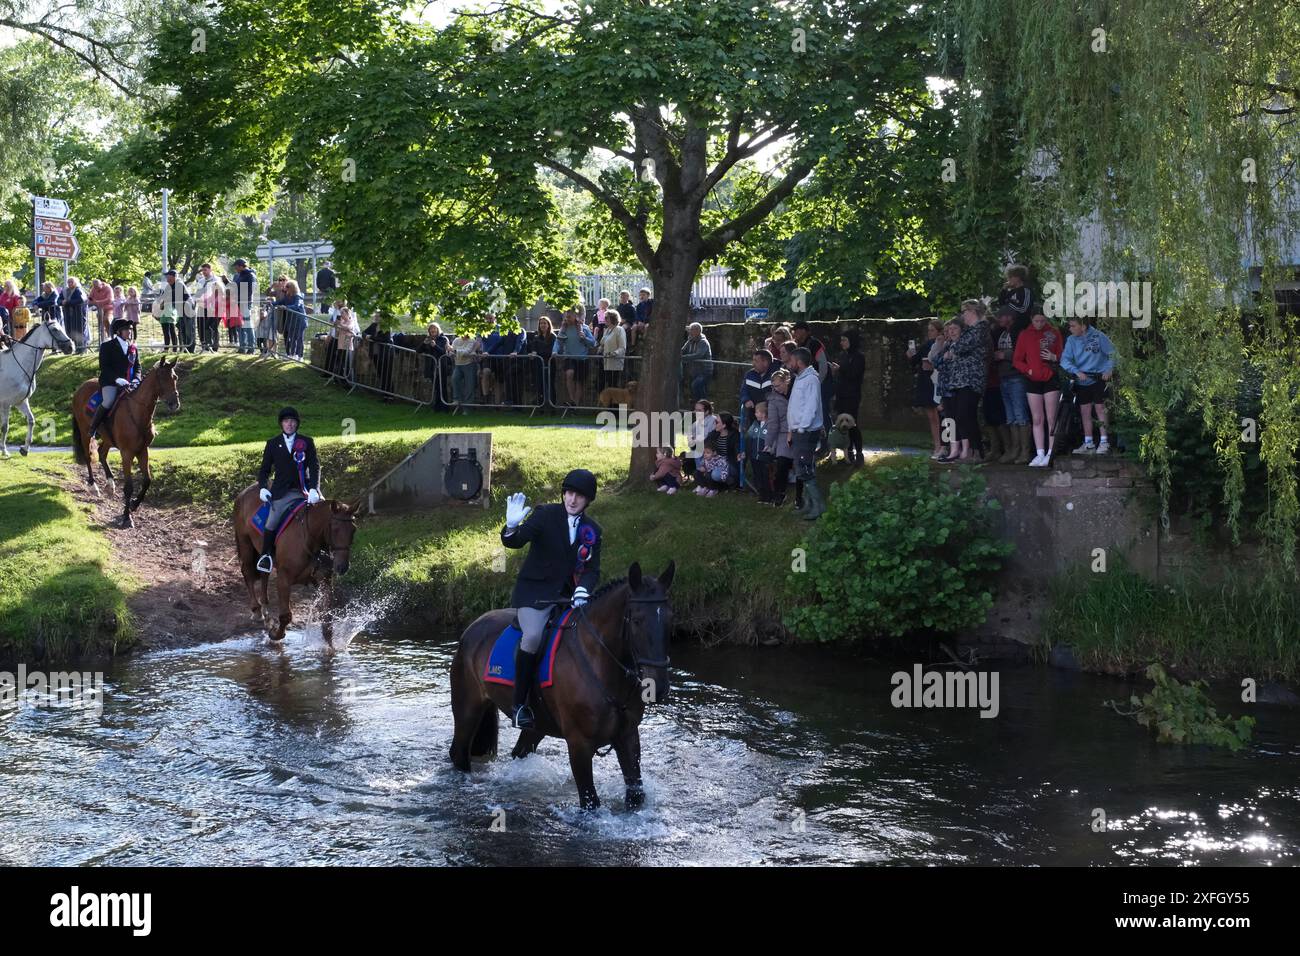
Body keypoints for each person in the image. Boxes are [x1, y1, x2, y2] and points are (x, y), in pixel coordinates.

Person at [499, 469, 601, 728]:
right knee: (532, 637)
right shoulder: (545, 515)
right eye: (569, 493)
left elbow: (591, 570)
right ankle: (519, 705)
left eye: (579, 495)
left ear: (588, 500)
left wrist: (583, 589)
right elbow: (517, 541)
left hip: (568, 598)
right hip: (535, 595)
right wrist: (511, 527)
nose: (572, 499)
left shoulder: (592, 530)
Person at [255, 407, 322, 573]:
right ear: (281, 424)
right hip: (282, 492)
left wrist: (314, 488)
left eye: (292, 421)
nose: (289, 424)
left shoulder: (307, 442)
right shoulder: (272, 444)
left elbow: (314, 467)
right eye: (286, 421)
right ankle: (266, 556)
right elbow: (264, 470)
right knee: (271, 521)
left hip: (305, 490)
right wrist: (263, 487)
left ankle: (327, 553)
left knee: (325, 515)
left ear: (297, 423)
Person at [1013, 308, 1064, 466]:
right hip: (1032, 379)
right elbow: (1017, 360)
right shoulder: (1025, 334)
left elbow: (1064, 355)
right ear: (1031, 319)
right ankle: (1039, 452)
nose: (1039, 324)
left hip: (1050, 378)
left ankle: (1050, 452)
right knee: (1037, 418)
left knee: (1051, 418)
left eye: (1042, 321)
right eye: (1036, 321)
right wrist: (1027, 369)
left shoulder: (1054, 333)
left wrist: (1054, 357)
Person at [1060, 316, 1116, 455]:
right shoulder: (1071, 340)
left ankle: (1104, 441)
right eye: (1070, 326)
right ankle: (1088, 442)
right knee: (1084, 410)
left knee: (1100, 408)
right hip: (1082, 379)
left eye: (1073, 326)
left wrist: (1108, 369)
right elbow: (1065, 360)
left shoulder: (1099, 336)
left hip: (1098, 377)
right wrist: (1076, 371)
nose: (1070, 329)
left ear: (1083, 326)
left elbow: (1113, 354)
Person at [786, 346, 826, 519]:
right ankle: (809, 504)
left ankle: (819, 507)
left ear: (799, 362)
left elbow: (811, 405)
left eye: (791, 361)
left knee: (804, 468)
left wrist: (802, 426)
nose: (789, 363)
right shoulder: (800, 378)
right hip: (798, 430)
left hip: (806, 432)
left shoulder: (811, 380)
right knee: (801, 467)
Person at [86, 318, 141, 442]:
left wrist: (137, 379)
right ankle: (94, 428)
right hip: (110, 382)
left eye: (131, 330)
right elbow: (104, 367)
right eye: (127, 330)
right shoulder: (107, 346)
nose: (130, 332)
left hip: (130, 383)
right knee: (109, 401)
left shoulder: (133, 348)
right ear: (119, 331)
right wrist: (117, 379)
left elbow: (137, 366)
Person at [993, 308, 1032, 463]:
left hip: (1017, 377)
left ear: (1010, 317)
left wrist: (1005, 355)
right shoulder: (1000, 333)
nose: (999, 319)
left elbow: (1024, 352)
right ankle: (1014, 451)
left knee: (1020, 414)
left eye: (1001, 316)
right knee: (1010, 416)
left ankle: (1024, 451)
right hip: (1003, 377)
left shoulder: (1019, 332)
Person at [909, 320, 945, 458]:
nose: (930, 333)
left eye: (932, 330)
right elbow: (916, 360)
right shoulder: (928, 345)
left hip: (936, 381)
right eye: (928, 330)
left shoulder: (940, 344)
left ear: (939, 331)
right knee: (932, 416)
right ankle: (938, 445)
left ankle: (944, 445)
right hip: (927, 381)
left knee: (942, 415)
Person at [831, 330, 866, 465]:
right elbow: (842, 375)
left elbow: (854, 375)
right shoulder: (843, 355)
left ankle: (859, 453)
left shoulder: (859, 357)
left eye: (844, 340)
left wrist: (840, 369)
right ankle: (848, 452)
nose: (842, 343)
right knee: (841, 425)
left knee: (852, 424)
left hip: (852, 395)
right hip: (842, 394)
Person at [766, 369, 793, 507]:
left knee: (798, 464)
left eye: (778, 385)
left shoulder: (796, 393)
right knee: (782, 463)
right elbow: (773, 424)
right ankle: (779, 493)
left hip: (798, 431)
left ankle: (800, 496)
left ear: (786, 382)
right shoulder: (773, 401)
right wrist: (768, 443)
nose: (775, 389)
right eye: (773, 386)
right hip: (783, 434)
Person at [153, 270, 188, 352]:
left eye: (169, 276)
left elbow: (172, 297)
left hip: (180, 311)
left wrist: (164, 300)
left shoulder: (179, 284)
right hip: (169, 313)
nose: (167, 278)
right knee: (174, 331)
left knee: (179, 331)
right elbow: (162, 297)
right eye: (167, 277)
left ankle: (182, 349)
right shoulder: (169, 286)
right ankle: (173, 349)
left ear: (174, 276)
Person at [680, 321, 713, 402]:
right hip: (694, 371)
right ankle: (698, 405)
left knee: (696, 385)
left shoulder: (703, 342)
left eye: (691, 330)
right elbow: (683, 350)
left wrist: (682, 358)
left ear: (697, 331)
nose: (689, 332)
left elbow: (698, 355)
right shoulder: (690, 340)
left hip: (704, 370)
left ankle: (704, 405)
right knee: (695, 388)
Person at [231, 259, 258, 354]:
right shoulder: (238, 276)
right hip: (238, 303)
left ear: (242, 266)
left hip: (245, 303)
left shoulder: (250, 275)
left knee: (247, 325)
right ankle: (242, 346)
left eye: (236, 266)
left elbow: (249, 291)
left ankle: (251, 347)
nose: (235, 268)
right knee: (240, 326)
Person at [599, 309, 627, 391]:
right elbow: (603, 343)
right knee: (609, 387)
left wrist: (614, 353)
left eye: (607, 317)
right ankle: (611, 404)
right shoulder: (607, 330)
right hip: (606, 363)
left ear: (613, 318)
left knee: (616, 387)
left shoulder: (619, 330)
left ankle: (622, 404)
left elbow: (622, 347)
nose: (605, 319)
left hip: (616, 364)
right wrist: (600, 348)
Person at [59, 277, 88, 353]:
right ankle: (73, 348)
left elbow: (81, 300)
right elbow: (58, 300)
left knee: (79, 331)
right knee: (69, 331)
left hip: (78, 314)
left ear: (75, 282)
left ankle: (81, 349)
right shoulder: (64, 291)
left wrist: (67, 302)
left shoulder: (79, 290)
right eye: (68, 282)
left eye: (71, 282)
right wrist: (62, 302)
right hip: (68, 314)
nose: (69, 283)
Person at [628, 287, 653, 351]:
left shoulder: (652, 303)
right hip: (640, 322)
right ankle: (633, 345)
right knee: (634, 327)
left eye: (643, 295)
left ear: (648, 295)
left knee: (647, 326)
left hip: (649, 322)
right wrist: (639, 321)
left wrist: (645, 321)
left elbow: (652, 314)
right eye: (640, 295)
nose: (641, 296)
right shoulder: (639, 305)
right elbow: (637, 315)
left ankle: (644, 341)